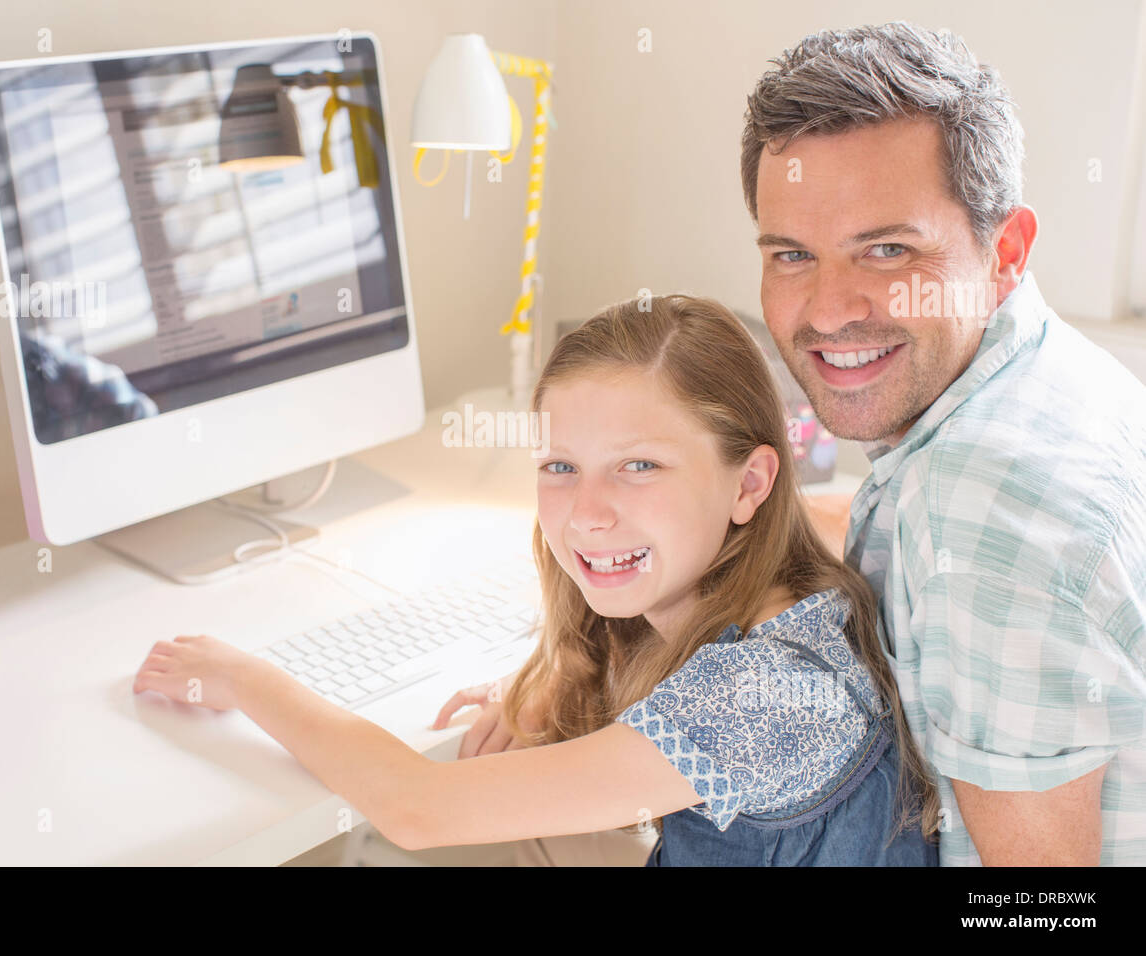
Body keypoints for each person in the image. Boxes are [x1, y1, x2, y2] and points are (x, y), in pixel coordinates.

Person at [133, 294, 940, 865]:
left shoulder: (768, 697)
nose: (586, 515)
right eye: (560, 465)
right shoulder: (792, 597)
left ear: (750, 483)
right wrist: (563, 685)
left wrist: (244, 678)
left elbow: (418, 809)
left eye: (639, 466)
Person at [740, 21, 1146, 865]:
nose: (830, 311)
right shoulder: (1047, 374)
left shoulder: (981, 514)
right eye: (793, 255)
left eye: (888, 250)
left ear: (1005, 251)